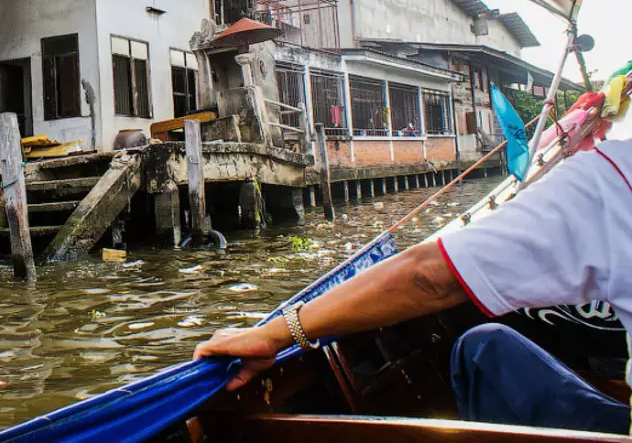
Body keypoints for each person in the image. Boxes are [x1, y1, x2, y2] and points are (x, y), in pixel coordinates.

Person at [195, 139, 632, 435]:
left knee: (482, 345)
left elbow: (429, 277)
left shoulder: (612, 175)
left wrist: (273, 333)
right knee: (486, 341)